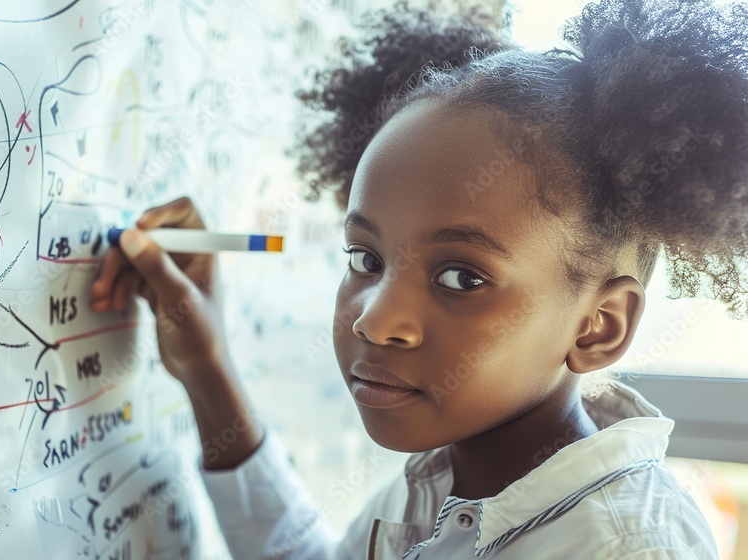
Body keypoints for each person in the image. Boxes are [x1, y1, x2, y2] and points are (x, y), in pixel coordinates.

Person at [89, 0, 748, 557]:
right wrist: (206, 363)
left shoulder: (623, 547)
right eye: (366, 260)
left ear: (597, 327)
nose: (374, 319)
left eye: (460, 278)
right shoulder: (438, 482)